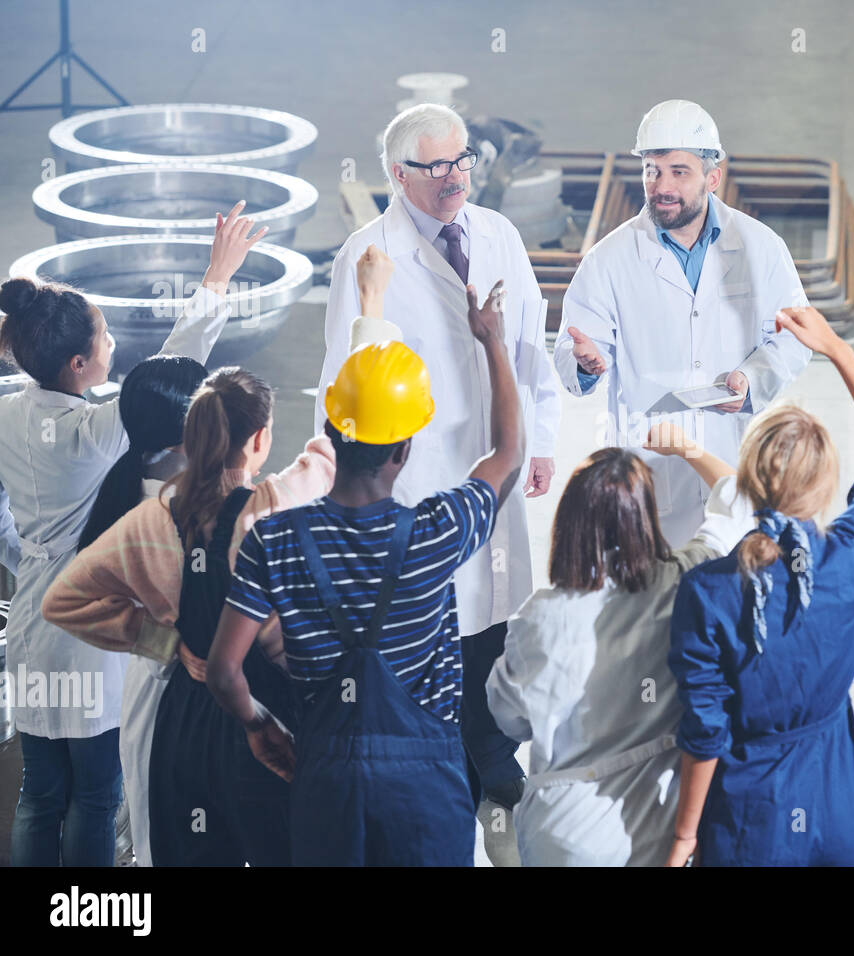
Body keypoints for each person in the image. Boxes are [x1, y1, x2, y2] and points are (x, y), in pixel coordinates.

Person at [209, 269, 526, 866]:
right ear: (404, 451)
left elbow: (225, 672)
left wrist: (262, 730)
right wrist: (492, 343)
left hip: (325, 780)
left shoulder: (272, 542)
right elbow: (508, 453)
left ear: (330, 429)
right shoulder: (439, 531)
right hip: (424, 787)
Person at [316, 104, 562, 819]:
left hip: (495, 462)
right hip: (418, 478)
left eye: (463, 162)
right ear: (398, 175)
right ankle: (461, 766)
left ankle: (488, 755)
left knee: (494, 622)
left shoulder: (498, 235)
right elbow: (347, 377)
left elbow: (528, 345)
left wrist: (539, 437)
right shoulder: (369, 258)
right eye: (437, 167)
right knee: (436, 627)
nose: (456, 178)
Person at [0, 202, 264, 867]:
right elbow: (170, 375)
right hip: (89, 637)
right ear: (80, 366)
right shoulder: (96, 434)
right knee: (95, 794)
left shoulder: (7, 415)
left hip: (31, 628)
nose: (115, 348)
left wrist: (22, 554)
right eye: (107, 341)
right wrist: (216, 276)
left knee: (37, 792)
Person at [666, 304, 854, 867]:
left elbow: (706, 730)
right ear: (827, 483)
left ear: (748, 479)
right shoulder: (851, 555)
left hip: (753, 821)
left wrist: (684, 838)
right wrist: (839, 351)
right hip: (841, 807)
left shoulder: (709, 590)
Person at [486, 423, 754, 866]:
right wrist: (685, 448)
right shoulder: (684, 579)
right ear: (645, 519)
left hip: (562, 833)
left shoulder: (540, 616)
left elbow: (509, 719)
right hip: (652, 823)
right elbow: (743, 499)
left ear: (569, 522)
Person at [554, 99, 812, 549]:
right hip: (650, 475)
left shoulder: (760, 247)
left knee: (735, 596)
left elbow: (794, 338)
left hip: (733, 462)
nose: (661, 186)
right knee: (652, 605)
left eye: (679, 171)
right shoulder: (609, 260)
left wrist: (750, 380)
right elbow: (574, 345)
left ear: (713, 177)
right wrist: (585, 365)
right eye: (651, 171)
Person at [55, 354, 209, 866]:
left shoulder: (124, 485)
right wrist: (169, 642)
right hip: (189, 696)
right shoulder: (173, 513)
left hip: (145, 693)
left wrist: (154, 642)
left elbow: (71, 602)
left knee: (152, 834)